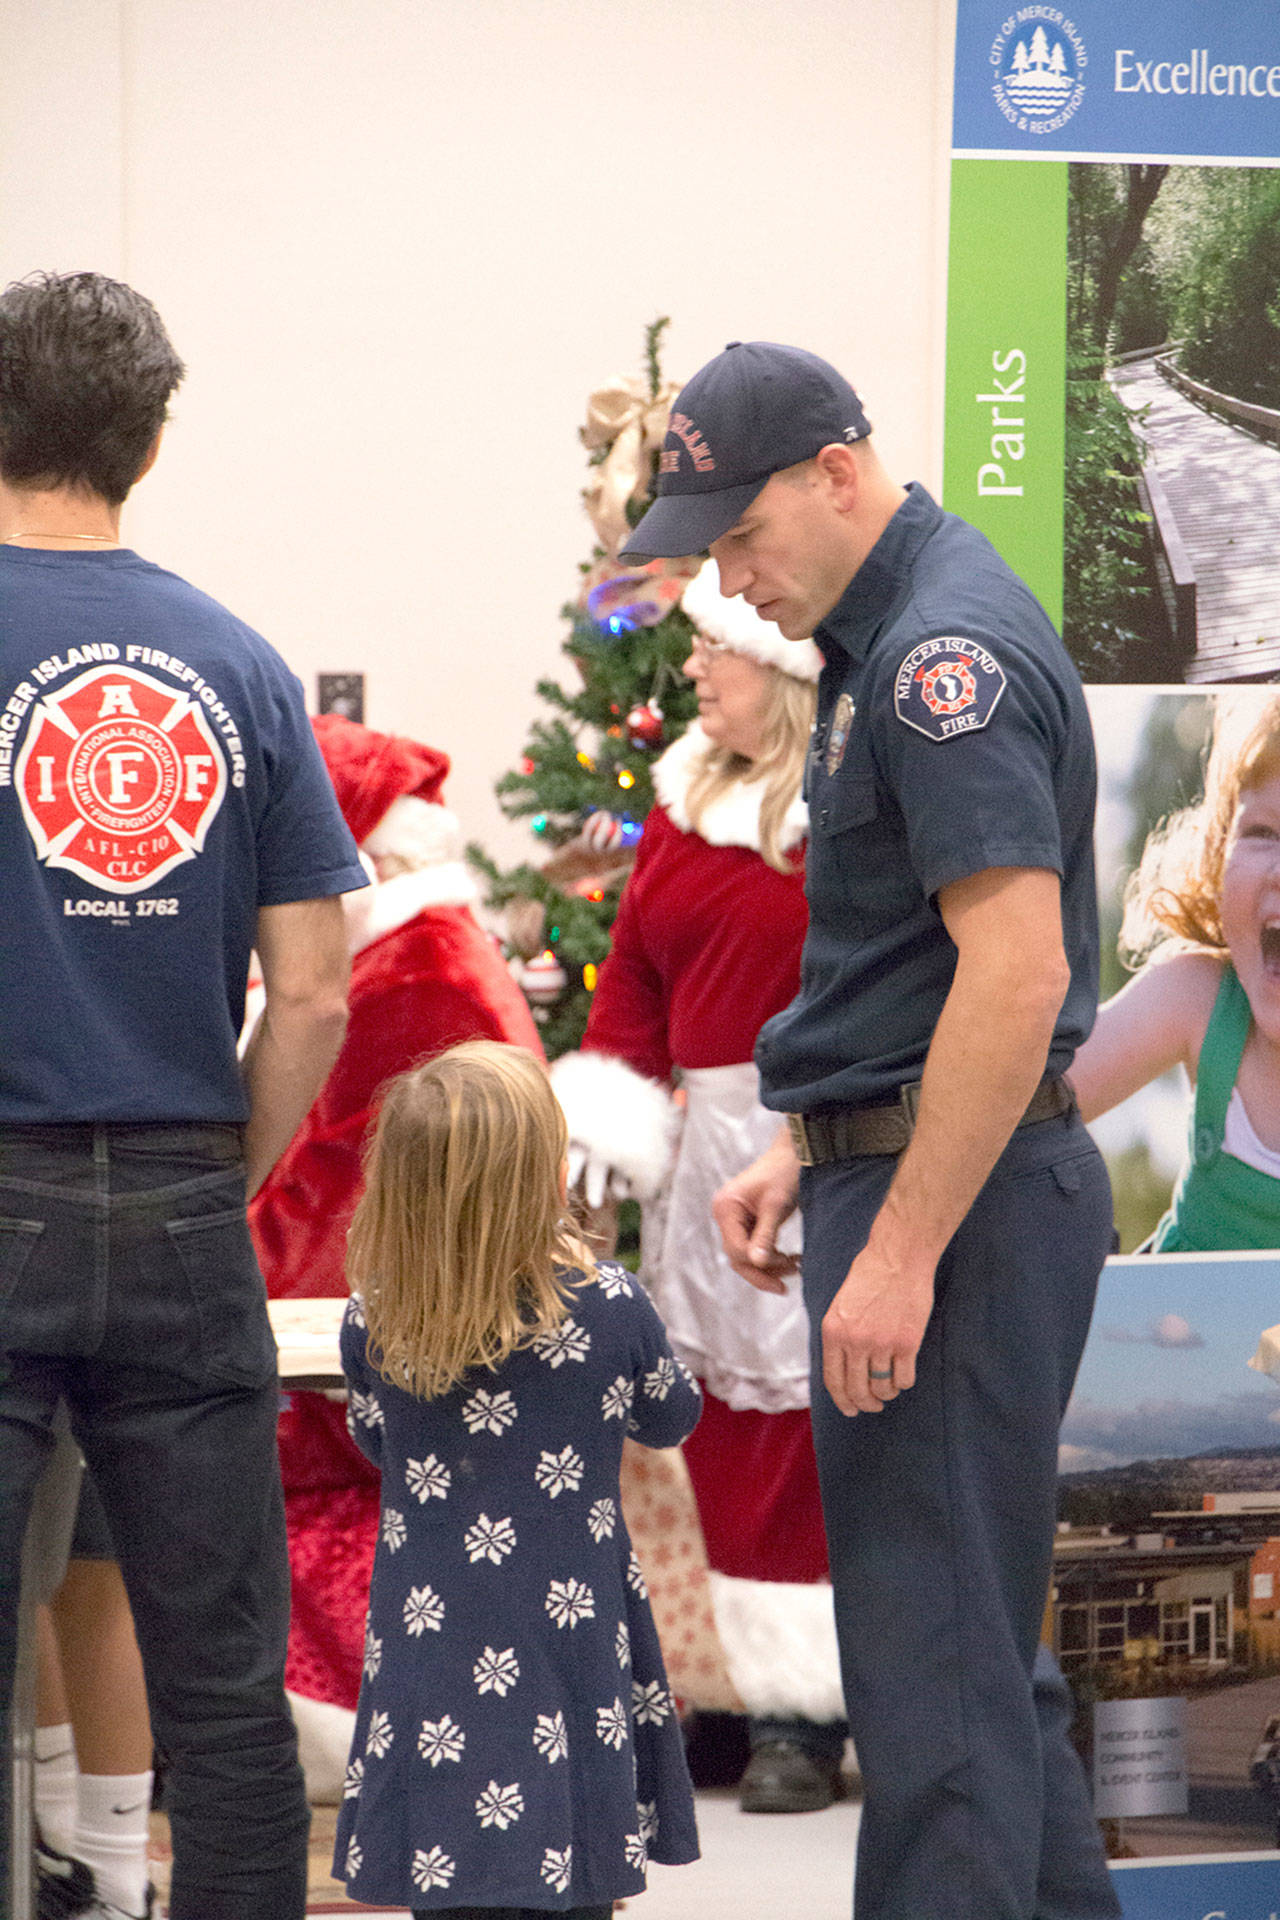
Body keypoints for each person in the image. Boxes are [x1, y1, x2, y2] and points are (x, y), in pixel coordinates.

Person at [620, 341, 1121, 1920]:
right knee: (976, 1667)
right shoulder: (880, 637)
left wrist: (898, 1246)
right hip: (925, 1170)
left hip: (954, 1210)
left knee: (933, 1697)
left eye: (741, 535)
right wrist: (811, 1139)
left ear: (834, 473)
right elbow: (917, 969)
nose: (729, 582)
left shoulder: (933, 662)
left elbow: (1017, 971)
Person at [0, 271, 367, 1920]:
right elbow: (316, 992)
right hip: (180, 1199)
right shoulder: (240, 662)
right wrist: (219, 1172)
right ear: (150, 442)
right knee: (225, 1694)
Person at [551, 559, 847, 1812]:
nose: (688, 669)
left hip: (816, 1139)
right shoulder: (679, 798)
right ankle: (714, 1689)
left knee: (798, 1421)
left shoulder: (843, 810)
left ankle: (800, 1708)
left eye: (710, 650)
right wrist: (597, 1126)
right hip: (699, 1149)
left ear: (777, 669)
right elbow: (631, 979)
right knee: (700, 1419)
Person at [333, 1040, 700, 1917]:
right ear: (544, 1172)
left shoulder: (375, 1315)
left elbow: (376, 1439)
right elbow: (670, 1416)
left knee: (443, 1842)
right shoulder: (609, 1303)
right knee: (576, 1827)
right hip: (570, 1616)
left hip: (430, 1622)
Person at [249, 713, 543, 1771]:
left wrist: (227, 1251)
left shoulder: (413, 974)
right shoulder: (406, 950)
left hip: (373, 1348)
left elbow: (350, 1184)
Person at [1068, 692, 1280, 1250]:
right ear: (1219, 852)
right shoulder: (1199, 1000)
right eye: (1263, 833)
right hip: (1183, 1308)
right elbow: (1013, 1106)